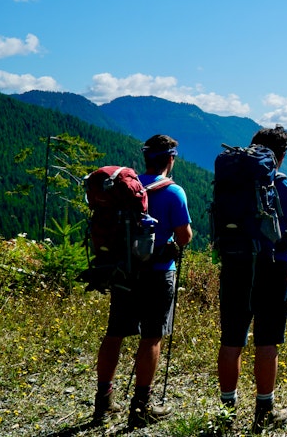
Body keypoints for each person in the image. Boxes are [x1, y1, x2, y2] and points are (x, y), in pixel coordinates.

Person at [216, 125, 287, 433]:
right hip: (272, 268)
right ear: (282, 155)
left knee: (232, 337)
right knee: (267, 339)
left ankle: (226, 408)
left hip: (234, 264)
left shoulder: (230, 181)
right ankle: (264, 409)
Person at [93, 134, 193, 426]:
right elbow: (184, 237)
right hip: (160, 271)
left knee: (115, 333)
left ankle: (103, 403)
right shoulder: (174, 192)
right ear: (170, 159)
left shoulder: (125, 189)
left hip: (124, 270)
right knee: (151, 337)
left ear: (146, 158)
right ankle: (141, 406)